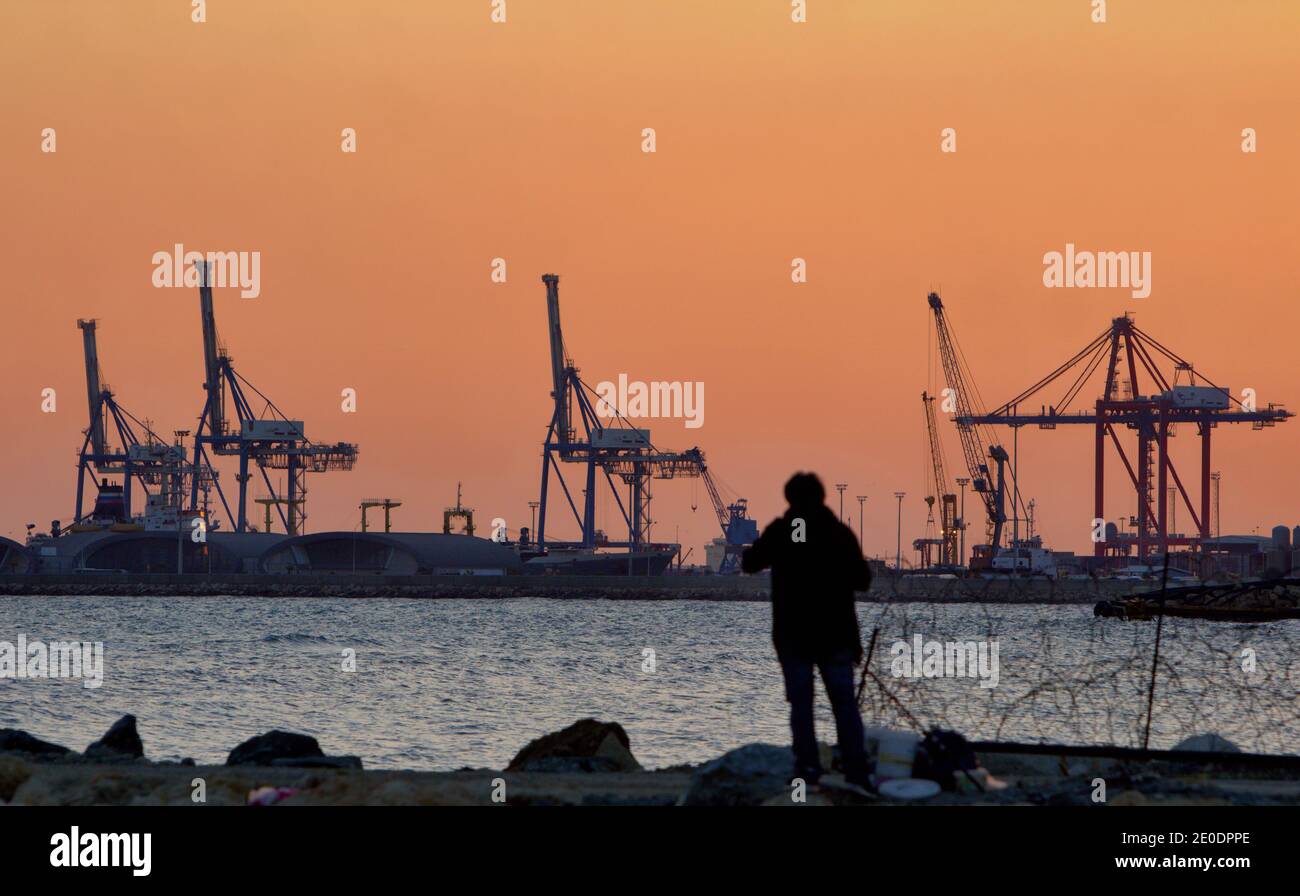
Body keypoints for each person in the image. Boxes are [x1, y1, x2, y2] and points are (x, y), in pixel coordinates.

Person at [741, 472, 872, 787]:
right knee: (844, 703)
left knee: (801, 704)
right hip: (836, 634)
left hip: (793, 634)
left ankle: (807, 770)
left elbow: (749, 563)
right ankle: (856, 771)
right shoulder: (840, 534)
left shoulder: (783, 531)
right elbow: (863, 580)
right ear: (823, 497)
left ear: (790, 499)